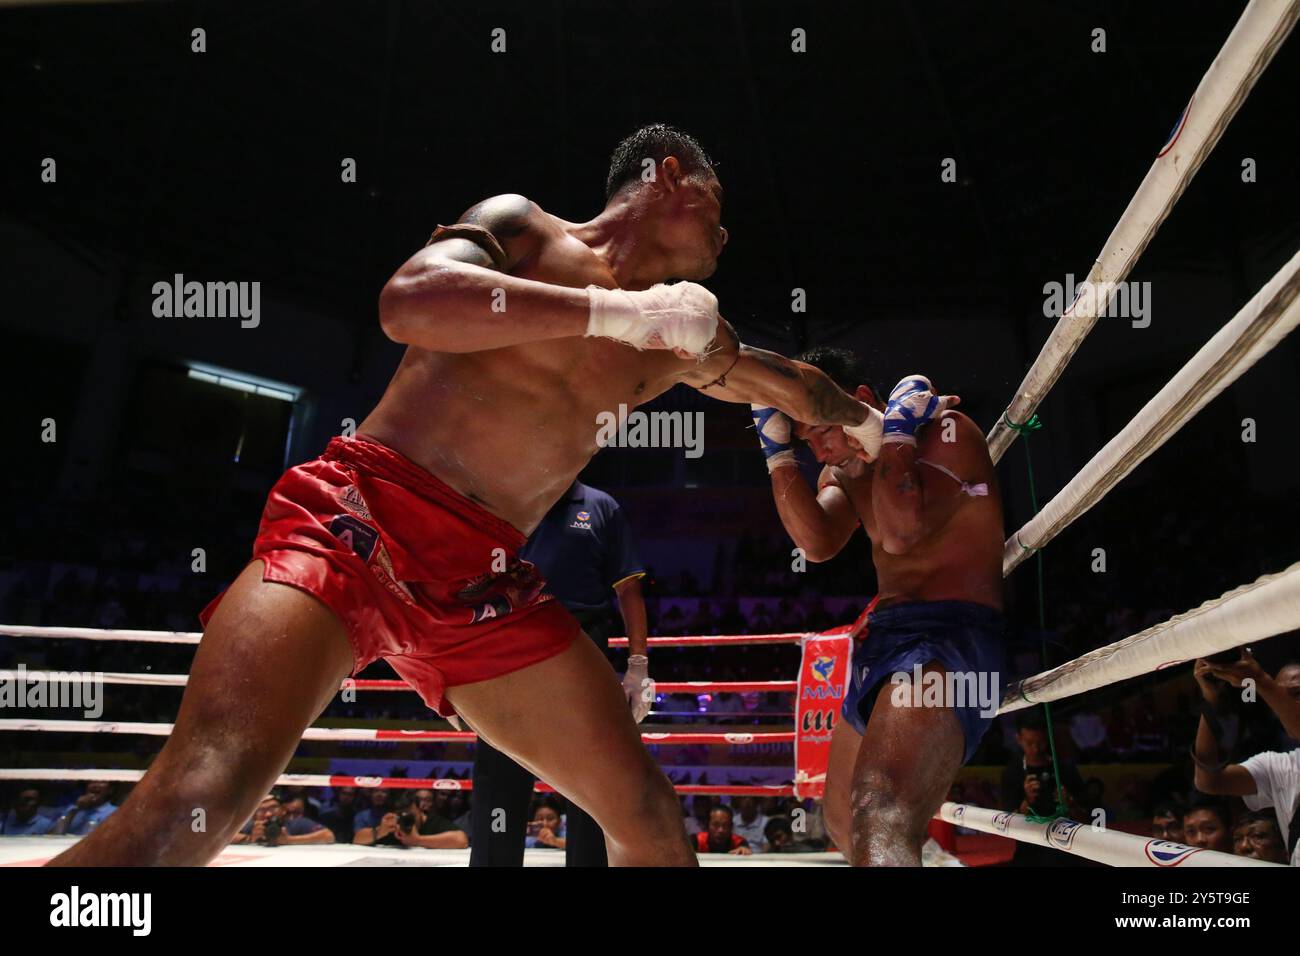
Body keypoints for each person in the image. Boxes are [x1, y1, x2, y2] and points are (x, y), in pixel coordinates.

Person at [50, 124, 885, 867]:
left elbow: (787, 382)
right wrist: (616, 314)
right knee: (203, 798)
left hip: (483, 582)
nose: (727, 232)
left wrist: (866, 423)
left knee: (649, 820)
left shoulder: (683, 336)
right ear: (668, 176)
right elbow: (408, 302)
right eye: (717, 208)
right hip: (357, 518)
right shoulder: (525, 226)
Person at [750, 346, 999, 866]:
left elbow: (902, 533)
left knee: (878, 807)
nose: (818, 451)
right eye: (804, 440)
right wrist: (776, 456)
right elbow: (815, 544)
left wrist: (898, 435)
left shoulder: (946, 432)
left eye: (820, 432)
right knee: (842, 817)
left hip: (950, 636)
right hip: (884, 638)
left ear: (858, 400)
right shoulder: (844, 471)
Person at [471, 479, 648, 866]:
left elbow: (629, 590)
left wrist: (638, 666)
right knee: (499, 778)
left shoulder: (602, 506)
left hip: (583, 646)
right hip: (508, 650)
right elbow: (470, 587)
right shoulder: (503, 501)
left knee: (590, 780)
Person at [1189, 653, 1300, 865]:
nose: (1284, 703)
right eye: (1280, 695)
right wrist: (1211, 699)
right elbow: (1208, 781)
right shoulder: (1279, 765)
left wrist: (1259, 679)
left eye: (1297, 693)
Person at [353, 790, 468, 850]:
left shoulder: (432, 822)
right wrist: (379, 831)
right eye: (402, 815)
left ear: (420, 809)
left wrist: (417, 840)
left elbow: (461, 840)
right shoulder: (393, 825)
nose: (407, 818)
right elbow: (357, 840)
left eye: (411, 815)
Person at [231, 795, 334, 847]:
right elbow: (219, 836)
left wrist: (289, 840)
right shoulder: (251, 826)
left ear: (283, 810)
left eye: (273, 808)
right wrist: (249, 838)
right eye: (262, 810)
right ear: (254, 815)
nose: (268, 814)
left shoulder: (296, 823)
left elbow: (329, 836)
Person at [50, 781, 117, 837]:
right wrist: (75, 809)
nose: (95, 785)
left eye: (102, 782)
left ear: (110, 790)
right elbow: (54, 835)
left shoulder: (115, 812)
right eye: (92, 781)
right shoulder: (73, 809)